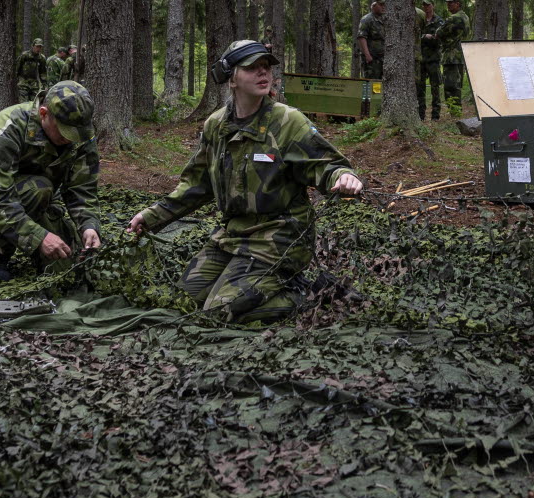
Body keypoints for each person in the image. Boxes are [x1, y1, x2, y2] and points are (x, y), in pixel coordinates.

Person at [125, 40, 363, 324]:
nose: (263, 73)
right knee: (185, 300)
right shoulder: (216, 126)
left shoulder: (288, 121)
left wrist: (344, 177)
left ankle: (310, 292)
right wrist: (151, 217)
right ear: (232, 78)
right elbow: (196, 185)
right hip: (232, 235)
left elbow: (327, 165)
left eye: (266, 67)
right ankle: (256, 286)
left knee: (218, 312)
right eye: (252, 68)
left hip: (279, 239)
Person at [0, 81, 104, 281]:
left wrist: (89, 225)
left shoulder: (81, 134)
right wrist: (39, 237)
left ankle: (34, 241)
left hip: (38, 199)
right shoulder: (9, 126)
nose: (70, 139)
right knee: (39, 189)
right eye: (64, 131)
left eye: (76, 133)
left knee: (69, 263)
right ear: (43, 113)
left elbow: (82, 188)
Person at [416, 0, 444, 121]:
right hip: (421, 58)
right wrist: (424, 37)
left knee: (435, 87)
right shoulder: (419, 19)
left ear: (433, 5)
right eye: (424, 5)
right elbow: (415, 35)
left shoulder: (439, 21)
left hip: (433, 58)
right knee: (419, 87)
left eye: (428, 5)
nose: (426, 7)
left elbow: (440, 37)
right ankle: (420, 114)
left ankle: (435, 115)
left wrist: (432, 37)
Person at [356, 0, 386, 80]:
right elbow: (361, 37)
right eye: (381, 5)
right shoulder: (367, 19)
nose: (383, 7)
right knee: (372, 83)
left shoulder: (385, 19)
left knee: (382, 83)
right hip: (372, 59)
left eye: (384, 5)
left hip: (383, 59)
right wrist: (367, 55)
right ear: (374, 5)